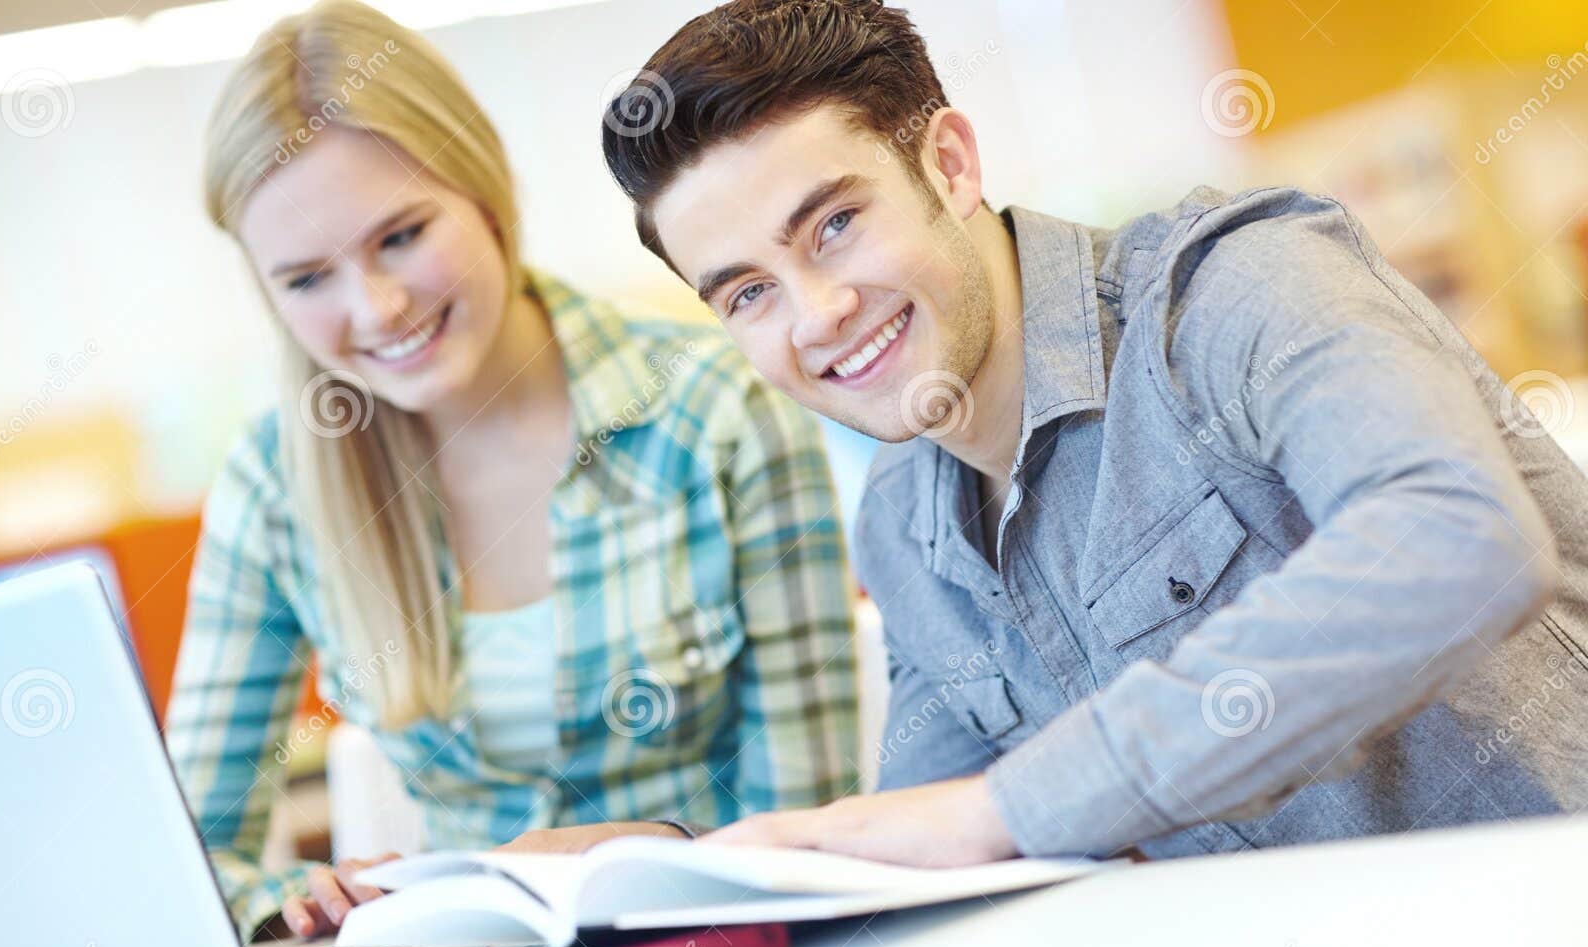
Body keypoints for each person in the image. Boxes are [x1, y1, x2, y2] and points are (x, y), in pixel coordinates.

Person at [599, 0, 1588, 866]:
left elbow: (1460, 540)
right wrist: (669, 866)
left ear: (947, 165)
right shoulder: (902, 527)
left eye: (834, 226)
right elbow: (922, 834)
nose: (815, 314)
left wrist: (1008, 809)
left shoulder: (1235, 288)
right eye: (749, 292)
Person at [170, 0, 858, 942]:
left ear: (484, 191)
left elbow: (811, 838)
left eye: (402, 235)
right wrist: (297, 901)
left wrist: (646, 853)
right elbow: (191, 862)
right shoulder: (273, 488)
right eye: (305, 279)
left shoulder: (718, 412)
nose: (375, 308)